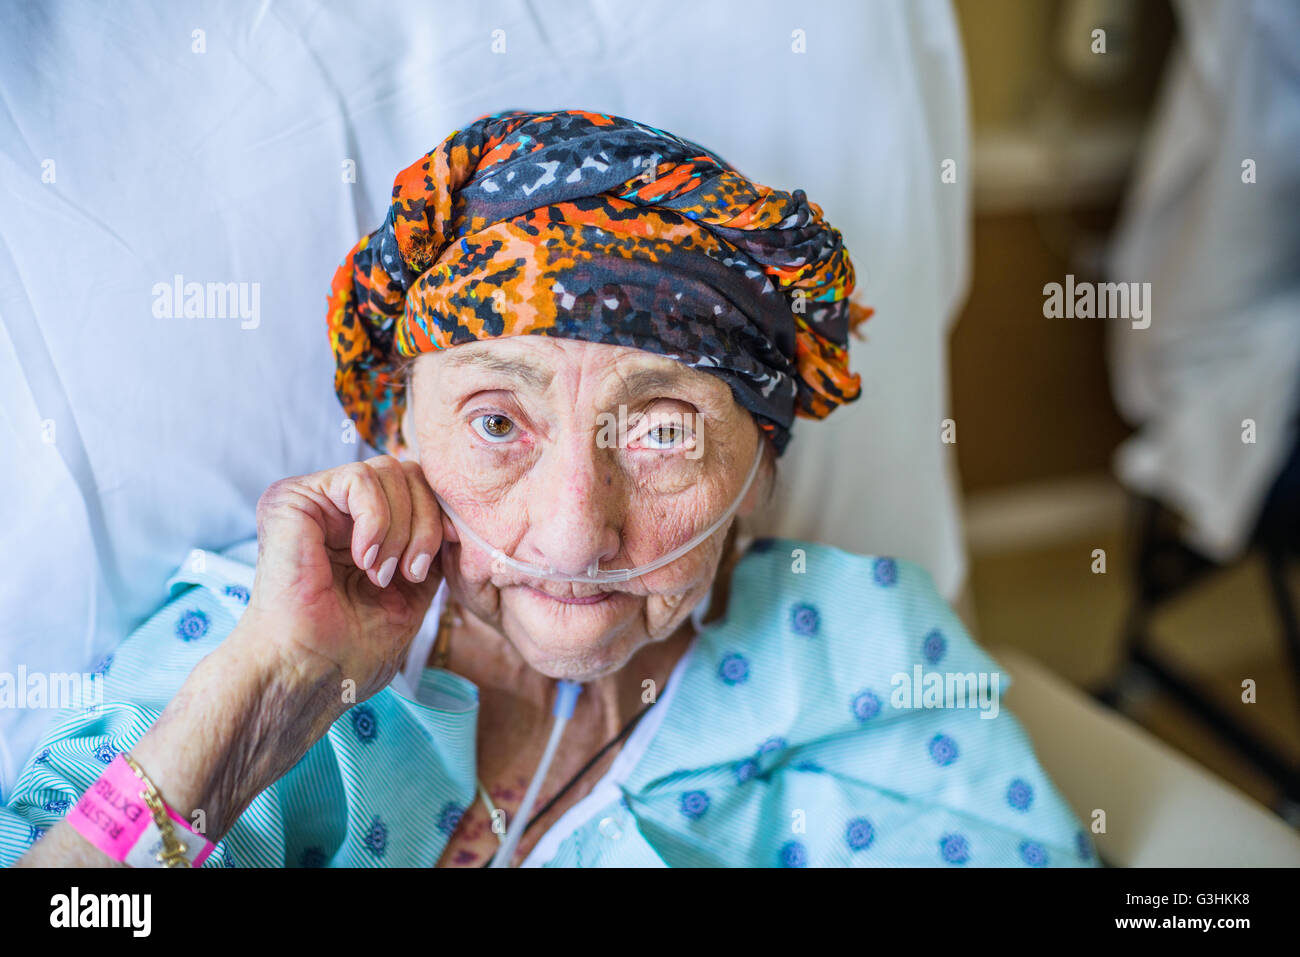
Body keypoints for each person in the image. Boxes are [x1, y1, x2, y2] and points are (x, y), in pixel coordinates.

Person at [3, 110, 1095, 867]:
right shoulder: (260, 641)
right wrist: (256, 707)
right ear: (394, 429)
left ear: (760, 465)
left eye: (665, 430)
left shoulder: (856, 656)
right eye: (495, 422)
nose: (575, 535)